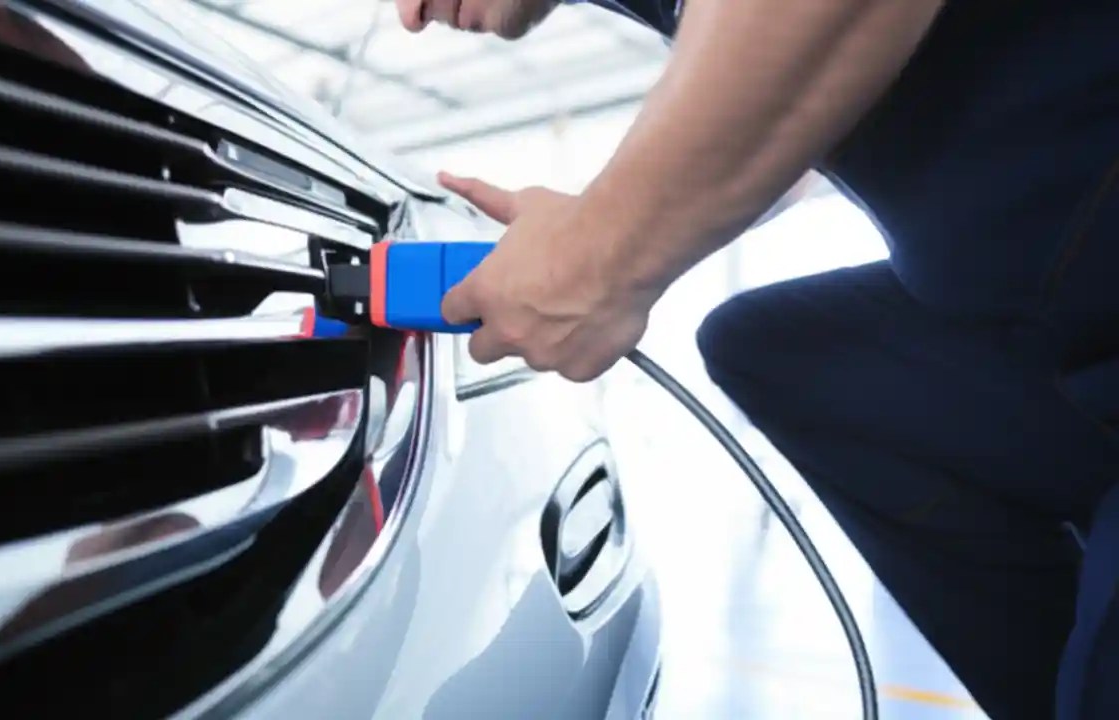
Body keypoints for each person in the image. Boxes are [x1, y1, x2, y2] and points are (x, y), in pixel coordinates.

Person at [392, 1, 1119, 718]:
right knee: (776, 351)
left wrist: (598, 253)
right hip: (1059, 324)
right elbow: (800, 136)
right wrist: (586, 224)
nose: (408, 17)